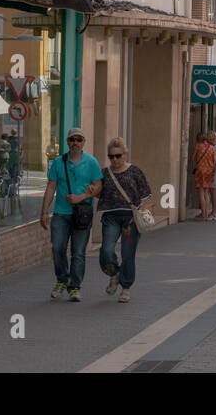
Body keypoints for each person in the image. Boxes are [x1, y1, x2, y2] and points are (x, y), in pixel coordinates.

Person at [41, 128, 102, 302]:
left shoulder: (91, 162)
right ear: (67, 142)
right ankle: (62, 280)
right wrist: (44, 212)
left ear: (84, 142)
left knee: (78, 252)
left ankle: (75, 287)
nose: (75, 142)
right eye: (72, 139)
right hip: (60, 213)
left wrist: (82, 196)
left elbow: (98, 186)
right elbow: (51, 186)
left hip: (82, 214)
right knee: (58, 248)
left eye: (79, 139)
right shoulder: (59, 162)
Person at [99, 138, 152, 304]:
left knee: (127, 254)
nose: (114, 160)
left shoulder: (135, 171)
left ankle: (126, 288)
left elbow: (146, 194)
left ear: (125, 154)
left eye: (118, 156)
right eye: (111, 156)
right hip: (110, 217)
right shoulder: (105, 173)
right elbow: (96, 191)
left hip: (130, 218)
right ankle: (114, 274)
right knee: (106, 250)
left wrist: (140, 210)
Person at [192, 132, 216, 220]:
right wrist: (213, 172)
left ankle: (203, 214)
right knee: (207, 192)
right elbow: (215, 162)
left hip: (200, 171)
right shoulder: (212, 148)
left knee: (201, 191)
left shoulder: (198, 146)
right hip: (209, 172)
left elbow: (193, 158)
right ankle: (207, 213)